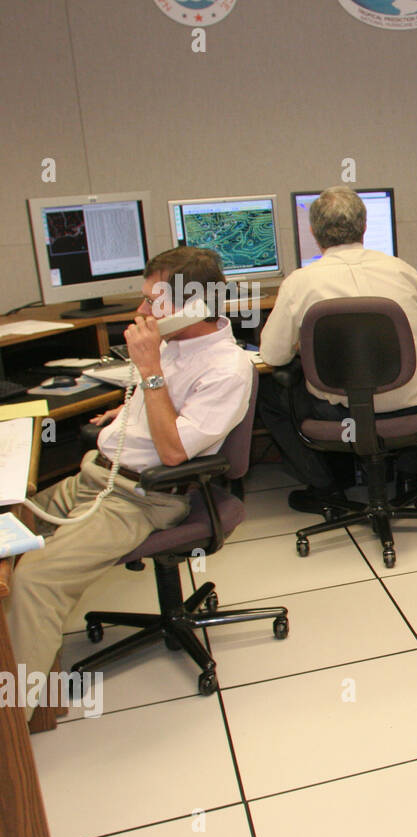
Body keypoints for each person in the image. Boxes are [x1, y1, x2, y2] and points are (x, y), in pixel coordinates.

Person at [7, 247, 255, 719]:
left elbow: (173, 453)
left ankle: (11, 728)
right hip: (99, 474)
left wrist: (150, 373)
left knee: (36, 579)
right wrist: (126, 412)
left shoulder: (227, 368)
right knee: (9, 528)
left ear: (195, 307)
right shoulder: (173, 346)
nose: (141, 313)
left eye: (151, 303)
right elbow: (162, 411)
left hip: (143, 497)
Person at [259, 186, 417, 514]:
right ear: (365, 226)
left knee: (269, 392)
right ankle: (407, 478)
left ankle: (326, 488)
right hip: (411, 411)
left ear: (313, 233)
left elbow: (273, 357)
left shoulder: (299, 283)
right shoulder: (405, 271)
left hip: (339, 416)